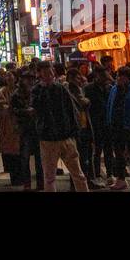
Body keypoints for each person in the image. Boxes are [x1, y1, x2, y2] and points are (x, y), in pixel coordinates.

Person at [31, 61, 90, 193]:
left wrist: (74, 132)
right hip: (48, 139)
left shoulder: (61, 88)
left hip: (66, 137)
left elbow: (71, 109)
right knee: (49, 176)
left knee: (78, 174)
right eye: (45, 72)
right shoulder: (37, 90)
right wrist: (45, 88)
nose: (49, 75)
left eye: (50, 71)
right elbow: (37, 108)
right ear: (39, 73)